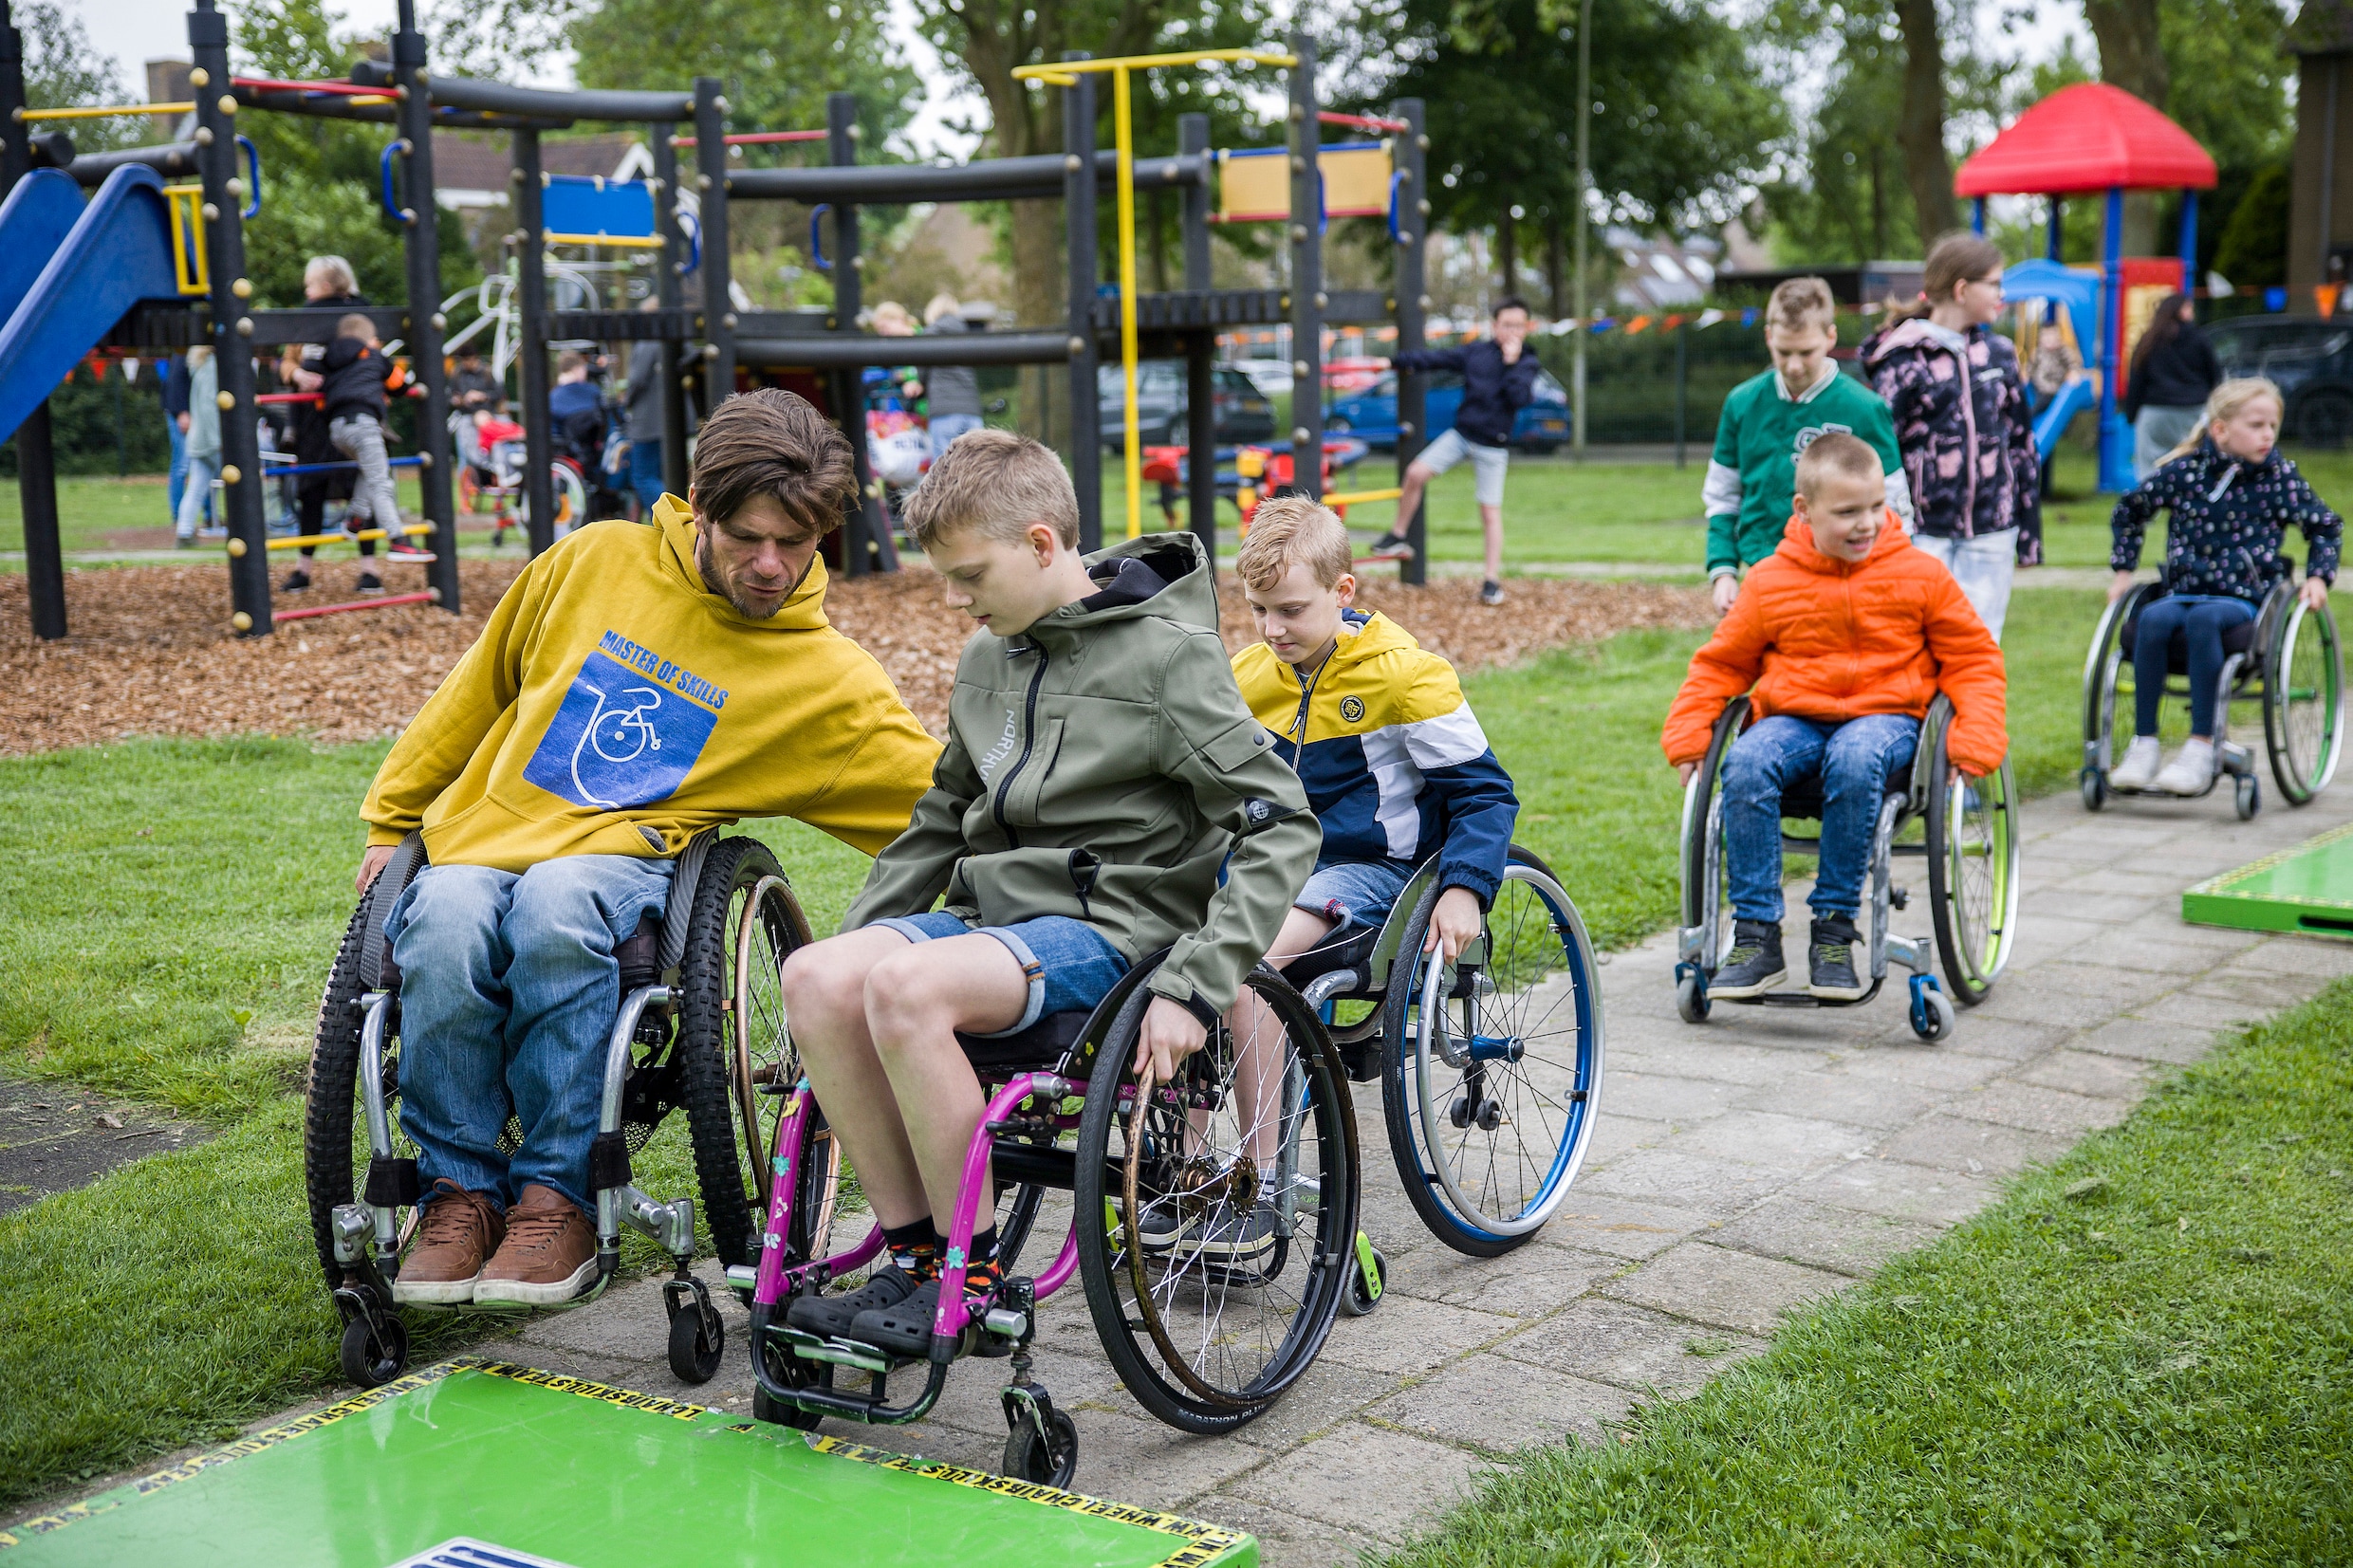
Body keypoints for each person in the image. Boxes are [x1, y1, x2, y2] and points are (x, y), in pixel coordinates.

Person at [354, 389, 942, 1307]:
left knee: (557, 912)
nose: (769, 565)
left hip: (614, 861)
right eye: (747, 536)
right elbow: (475, 689)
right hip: (483, 834)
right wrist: (395, 818)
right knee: (443, 924)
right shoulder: (593, 559)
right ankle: (458, 1193)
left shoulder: (826, 681)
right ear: (697, 509)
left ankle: (558, 1197)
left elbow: (944, 808)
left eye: (795, 543)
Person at [773, 429, 1318, 1353]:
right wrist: (862, 934)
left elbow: (1280, 822)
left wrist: (1196, 979)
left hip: (1112, 929)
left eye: (969, 575)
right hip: (994, 920)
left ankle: (972, 1275)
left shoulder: (1164, 661)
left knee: (905, 990)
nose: (954, 599)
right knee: (816, 980)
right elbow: (943, 815)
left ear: (1038, 544)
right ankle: (912, 1261)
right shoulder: (989, 659)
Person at [1222, 497, 1518, 1256]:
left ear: (1344, 591)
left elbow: (1485, 794)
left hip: (1373, 873)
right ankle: (1190, 1169)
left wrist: (1463, 885)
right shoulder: (1251, 675)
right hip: (1274, 862)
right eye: (1258, 610)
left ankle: (1257, 1180)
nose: (1273, 628)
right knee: (1168, 939)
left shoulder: (1404, 675)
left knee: (1242, 959)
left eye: (1291, 609)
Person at [1660, 434, 2007, 1001]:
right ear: (1805, 511)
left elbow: (1974, 661)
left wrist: (1972, 744)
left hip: (1888, 720)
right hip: (1796, 718)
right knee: (1746, 758)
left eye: (1876, 507)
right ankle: (1756, 934)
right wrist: (1689, 737)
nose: (1867, 523)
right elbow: (1720, 665)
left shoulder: (1921, 574)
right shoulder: (1771, 579)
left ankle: (1834, 928)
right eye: (1847, 512)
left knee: (1856, 753)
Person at [2104, 378, 2340, 795]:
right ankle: (2145, 744)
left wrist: (2319, 576)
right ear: (2220, 430)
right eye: (2256, 425)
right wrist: (2123, 570)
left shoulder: (2278, 477)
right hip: (2183, 590)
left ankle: (2201, 744)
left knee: (2206, 619)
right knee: (2153, 617)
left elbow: (2323, 525)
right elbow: (2130, 510)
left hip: (2244, 600)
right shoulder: (2185, 471)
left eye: (2272, 425)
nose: (2267, 434)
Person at [1862, 231, 2042, 640]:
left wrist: (2029, 534)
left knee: (1979, 646)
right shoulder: (1902, 358)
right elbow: (1881, 450)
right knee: (1917, 642)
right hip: (1922, 534)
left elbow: (2022, 444)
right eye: (1994, 284)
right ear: (1962, 289)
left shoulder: (1999, 354)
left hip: (1992, 530)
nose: (2002, 293)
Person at [1703, 276, 1912, 617]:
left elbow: (1895, 505)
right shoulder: (1741, 403)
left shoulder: (1864, 407)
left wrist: (1894, 578)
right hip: (1763, 572)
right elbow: (1722, 496)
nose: (1794, 365)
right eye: (1783, 352)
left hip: (1843, 579)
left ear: (1830, 337)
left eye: (1806, 352)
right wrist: (1724, 570)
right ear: (1768, 336)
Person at [1366, 297, 1543, 607]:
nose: (1512, 331)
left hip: (1493, 445)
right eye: (1507, 325)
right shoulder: (1478, 352)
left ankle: (1491, 580)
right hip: (1462, 434)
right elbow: (1435, 359)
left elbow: (1519, 397)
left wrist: (1512, 362)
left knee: (1489, 511)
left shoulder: (1527, 362)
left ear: (1527, 327)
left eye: (1519, 325)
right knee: (1415, 473)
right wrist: (1394, 362)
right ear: (1495, 325)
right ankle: (1398, 534)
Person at [285, 257, 371, 594]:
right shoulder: (306, 319)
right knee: (311, 491)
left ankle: (369, 568)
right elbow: (287, 361)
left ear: (325, 286)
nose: (306, 291)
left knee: (358, 486)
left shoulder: (357, 315)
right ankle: (303, 568)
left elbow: (370, 356)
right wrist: (297, 374)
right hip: (311, 420)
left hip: (346, 410)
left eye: (309, 284)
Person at [2122, 293, 2221, 482]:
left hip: (2155, 411)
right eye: (2189, 308)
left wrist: (2131, 413)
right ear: (2180, 311)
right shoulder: (2198, 338)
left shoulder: (2149, 340)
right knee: (2193, 460)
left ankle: (2149, 504)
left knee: (2149, 465)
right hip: (2193, 410)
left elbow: (2136, 379)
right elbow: (2214, 374)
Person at [921, 293, 986, 460]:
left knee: (944, 472)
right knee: (975, 469)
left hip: (944, 408)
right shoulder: (966, 334)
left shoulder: (931, 333)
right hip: (971, 411)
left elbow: (921, 370)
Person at [624, 306, 668, 519]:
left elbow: (637, 379)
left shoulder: (647, 343)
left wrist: (626, 401)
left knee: (642, 476)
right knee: (661, 474)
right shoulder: (672, 340)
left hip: (648, 422)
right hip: (670, 421)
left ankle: (672, 519)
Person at [173, 347, 218, 548]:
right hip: (212, 439)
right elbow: (210, 406)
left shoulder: (199, 364)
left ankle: (184, 532)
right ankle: (254, 526)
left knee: (196, 487)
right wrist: (219, 439)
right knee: (245, 480)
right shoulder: (212, 365)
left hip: (199, 438)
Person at [162, 352, 199, 540]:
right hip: (181, 413)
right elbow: (175, 381)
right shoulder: (183, 351)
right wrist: (182, 412)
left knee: (202, 465)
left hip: (196, 413)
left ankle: (209, 517)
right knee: (182, 465)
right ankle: (178, 516)